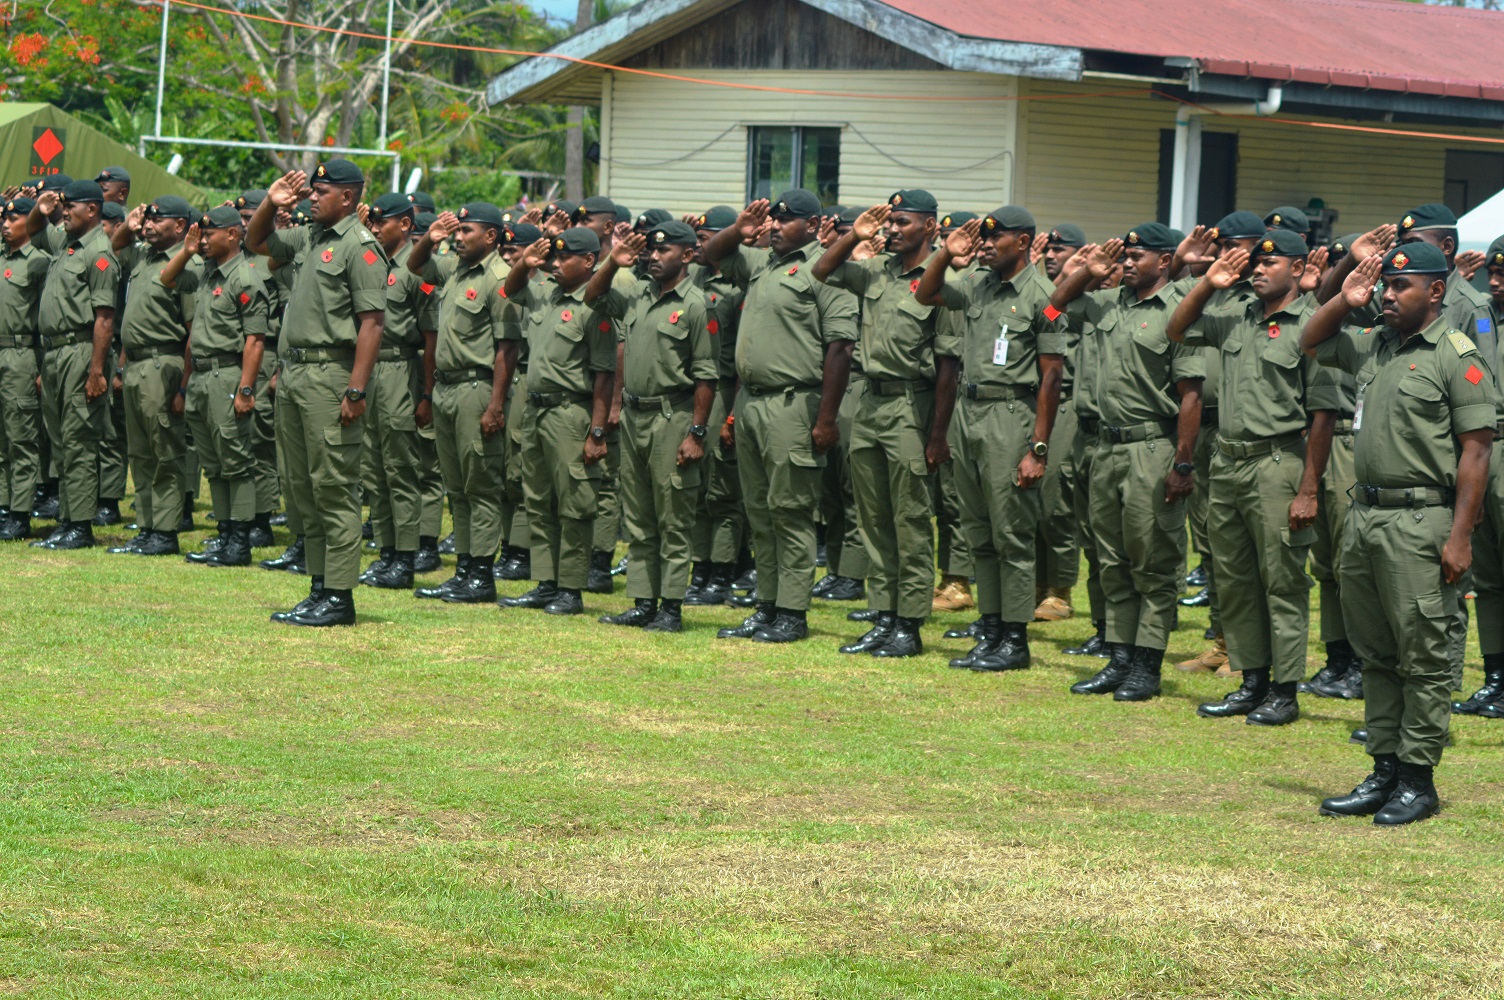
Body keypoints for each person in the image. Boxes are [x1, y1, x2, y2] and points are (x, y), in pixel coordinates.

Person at [1302, 242, 1496, 824]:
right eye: (1384, 286)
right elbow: (1311, 339)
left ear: (1435, 292)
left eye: (1399, 287)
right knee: (1376, 652)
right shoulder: (1374, 346)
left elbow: (1477, 452)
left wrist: (1460, 537)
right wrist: (1345, 297)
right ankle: (1383, 767)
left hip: (1422, 520)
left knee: (1425, 652)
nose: (1387, 295)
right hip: (1366, 518)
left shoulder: (1455, 355)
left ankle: (1417, 778)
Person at [1168, 229, 1337, 726]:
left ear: (1298, 266)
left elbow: (1323, 414)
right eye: (1255, 265)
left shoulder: (1311, 325)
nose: (1259, 270)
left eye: (1271, 263)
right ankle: (1252, 680)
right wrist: (1207, 284)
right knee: (1235, 578)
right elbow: (1178, 330)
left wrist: (1309, 489)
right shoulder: (1237, 315)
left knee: (1281, 581)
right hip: (1227, 462)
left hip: (1278, 462)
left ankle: (1284, 690)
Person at [1050, 225, 1204, 699]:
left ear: (1165, 261)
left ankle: (1147, 664)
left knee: (1152, 558)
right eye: (1126, 256)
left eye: (1140, 256)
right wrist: (1085, 273)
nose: (1129, 262)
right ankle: (1119, 657)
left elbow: (1191, 394)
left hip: (1150, 446)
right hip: (1104, 448)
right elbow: (1051, 308)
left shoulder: (1179, 308)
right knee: (1111, 559)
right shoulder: (1105, 303)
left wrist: (1182, 464)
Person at [701, 191, 858, 644]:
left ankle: (792, 611)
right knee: (760, 511)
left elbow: (840, 348)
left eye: (785, 221)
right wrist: (739, 230)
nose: (775, 227)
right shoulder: (761, 264)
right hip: (750, 402)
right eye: (772, 221)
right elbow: (710, 254)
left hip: (794, 403)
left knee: (791, 511)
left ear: (812, 225)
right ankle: (766, 606)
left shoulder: (827, 270)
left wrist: (826, 419)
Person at [915, 208, 1065, 671]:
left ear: (1022, 243)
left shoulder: (1044, 295)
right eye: (983, 238)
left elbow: (1052, 378)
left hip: (1010, 416)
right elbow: (926, 293)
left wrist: (1037, 447)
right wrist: (945, 253)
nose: (985, 245)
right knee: (977, 532)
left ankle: (1015, 640)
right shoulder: (979, 284)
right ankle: (992, 628)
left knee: (1012, 535)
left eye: (994, 239)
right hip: (970, 413)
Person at [814, 191, 957, 657]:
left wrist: (937, 435)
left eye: (903, 222)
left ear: (930, 227)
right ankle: (884, 615)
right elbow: (823, 270)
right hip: (871, 403)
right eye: (889, 222)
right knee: (874, 518)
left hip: (911, 407)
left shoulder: (941, 280)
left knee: (910, 518)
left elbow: (948, 368)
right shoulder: (877, 271)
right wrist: (852, 236)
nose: (892, 229)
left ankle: (909, 624)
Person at [247, 160, 387, 627]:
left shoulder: (360, 248)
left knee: (334, 486)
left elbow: (372, 323)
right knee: (302, 487)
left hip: (331, 377)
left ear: (347, 197)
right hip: (295, 376)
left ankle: (340, 596)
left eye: (321, 190)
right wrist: (270, 202)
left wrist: (356, 389)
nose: (312, 196)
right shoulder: (310, 238)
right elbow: (257, 242)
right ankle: (318, 587)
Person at [588, 222, 716, 632]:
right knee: (640, 517)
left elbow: (706, 376)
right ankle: (644, 602)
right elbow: (593, 296)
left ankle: (671, 607)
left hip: (671, 416)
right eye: (652, 252)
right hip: (633, 416)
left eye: (666, 251)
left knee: (673, 517)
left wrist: (696, 433)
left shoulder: (696, 304)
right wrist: (612, 261)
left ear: (688, 255)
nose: (655, 257)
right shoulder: (639, 295)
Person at [498, 227, 616, 615]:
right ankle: (546, 582)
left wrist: (597, 432)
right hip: (535, 410)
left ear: (588, 261)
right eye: (555, 257)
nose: (557, 263)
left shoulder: (594, 307)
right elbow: (511, 291)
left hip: (570, 412)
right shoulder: (546, 294)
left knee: (574, 503)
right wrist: (523, 262)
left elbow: (603, 374)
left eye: (567, 257)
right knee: (538, 499)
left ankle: (571, 588)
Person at [404, 202, 517, 601]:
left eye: (467, 230)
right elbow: (416, 268)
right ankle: (465, 569)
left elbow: (507, 348)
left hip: (477, 389)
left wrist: (496, 405)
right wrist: (429, 240)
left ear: (491, 236)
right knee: (457, 486)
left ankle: (481, 576)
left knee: (481, 484)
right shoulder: (452, 271)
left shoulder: (500, 278)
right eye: (458, 230)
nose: (459, 236)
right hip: (448, 389)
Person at [158, 207, 269, 566]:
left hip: (227, 375)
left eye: (209, 235)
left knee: (236, 459)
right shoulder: (207, 274)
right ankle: (224, 534)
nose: (203, 240)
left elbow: (254, 341)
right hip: (203, 377)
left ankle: (240, 540)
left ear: (233, 235)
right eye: (201, 235)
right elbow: (166, 278)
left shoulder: (244, 278)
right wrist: (187, 251)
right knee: (214, 462)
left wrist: (247, 390)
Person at [25, 180, 119, 550]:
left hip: (81, 351)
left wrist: (96, 372)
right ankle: (67, 519)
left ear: (92, 210)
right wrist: (41, 207)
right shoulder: (68, 245)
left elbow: (105, 320)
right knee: (62, 440)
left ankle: (79, 525)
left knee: (79, 440)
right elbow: (33, 229)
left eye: (70, 207)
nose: (64, 212)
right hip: (56, 353)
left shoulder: (98, 254)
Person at [106, 196, 196, 556]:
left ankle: (165, 530)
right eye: (148, 220)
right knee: (140, 452)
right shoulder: (143, 256)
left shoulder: (188, 266)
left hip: (164, 363)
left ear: (179, 226)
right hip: (137, 364)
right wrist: (128, 227)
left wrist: (184, 387)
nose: (149, 225)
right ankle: (146, 526)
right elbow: (116, 249)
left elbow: (193, 331)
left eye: (159, 221)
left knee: (165, 452)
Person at [353, 193, 432, 591]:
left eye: (382, 223)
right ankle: (385, 553)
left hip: (401, 366)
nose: (375, 228)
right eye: (373, 222)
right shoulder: (369, 261)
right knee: (374, 469)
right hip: (369, 369)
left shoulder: (417, 268)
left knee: (401, 469)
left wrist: (427, 394)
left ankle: (405, 557)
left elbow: (431, 335)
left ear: (404, 224)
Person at [683, 206, 746, 607]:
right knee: (696, 488)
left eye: (710, 238)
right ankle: (700, 568)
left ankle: (722, 574)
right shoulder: (691, 278)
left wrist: (733, 412)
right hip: (691, 392)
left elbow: (743, 357)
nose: (703, 243)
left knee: (723, 491)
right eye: (700, 237)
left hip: (724, 389)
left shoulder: (740, 288)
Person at [1034, 223, 1088, 622]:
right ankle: (1036, 583)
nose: (1053, 255)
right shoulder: (1048, 295)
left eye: (1062, 250)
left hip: (1068, 401)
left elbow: (1059, 306)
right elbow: (1046, 309)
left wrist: (1079, 276)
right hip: (1033, 401)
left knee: (1056, 501)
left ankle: (1060, 589)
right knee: (1031, 500)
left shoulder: (1087, 298)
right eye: (1048, 250)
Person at [0, 197, 50, 541]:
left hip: (21, 353)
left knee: (21, 437)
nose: (5, 223)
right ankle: (3, 506)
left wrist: (43, 366)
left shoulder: (38, 263)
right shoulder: (2, 259)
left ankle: (19, 513)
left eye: (13, 218)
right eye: (4, 218)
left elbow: (49, 318)